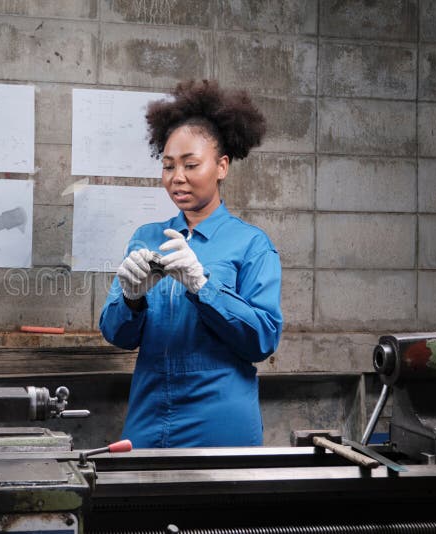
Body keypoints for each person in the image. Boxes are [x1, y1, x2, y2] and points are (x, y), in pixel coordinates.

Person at [99, 80, 282, 448]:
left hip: (219, 422)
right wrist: (131, 299)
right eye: (168, 166)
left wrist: (203, 286)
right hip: (150, 416)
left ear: (221, 166)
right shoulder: (147, 238)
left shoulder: (251, 245)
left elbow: (263, 339)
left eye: (191, 164)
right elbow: (117, 335)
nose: (177, 177)